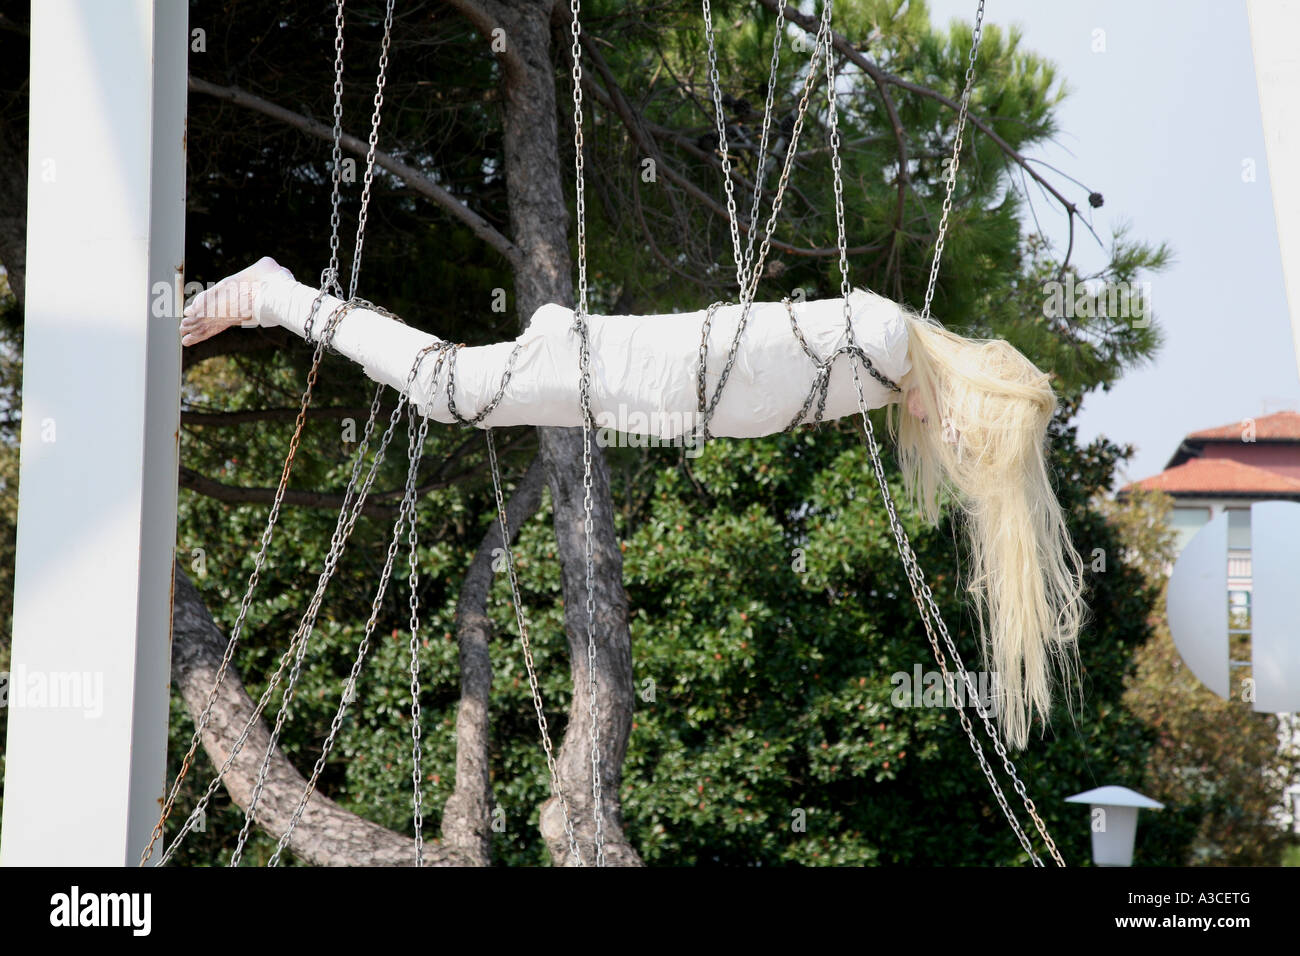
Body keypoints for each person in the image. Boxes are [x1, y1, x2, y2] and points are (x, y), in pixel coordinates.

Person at [181, 256, 1084, 749]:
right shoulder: (884, 339)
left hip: (615, 390)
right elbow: (740, 336)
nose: (961, 452)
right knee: (441, 389)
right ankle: (276, 294)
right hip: (608, 369)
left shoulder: (881, 383)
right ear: (970, 391)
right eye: (976, 437)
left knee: (443, 389)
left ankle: (279, 296)